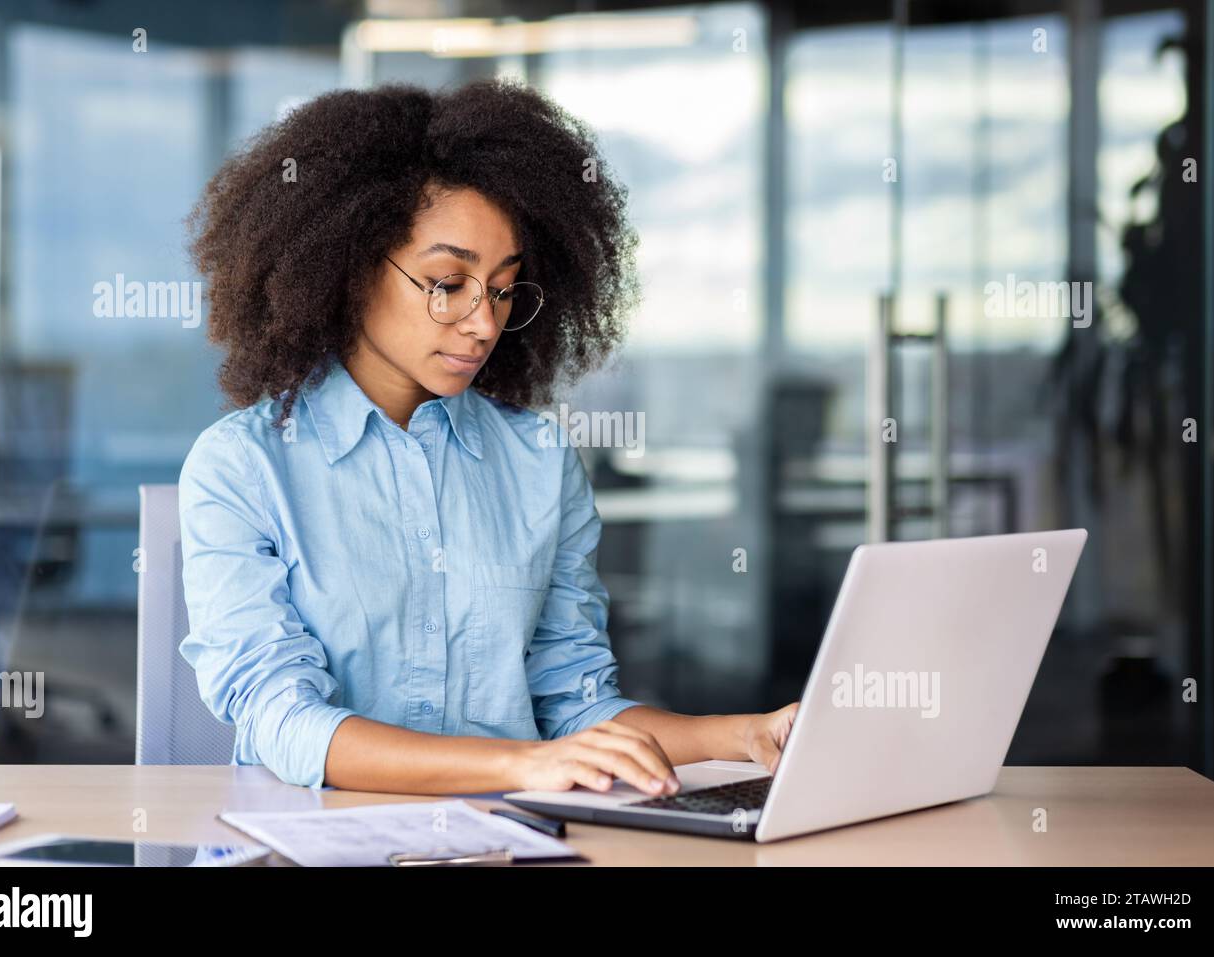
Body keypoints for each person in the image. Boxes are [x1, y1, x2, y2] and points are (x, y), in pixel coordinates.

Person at [179, 76, 797, 795]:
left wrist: (744, 733)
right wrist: (522, 764)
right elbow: (281, 719)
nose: (483, 322)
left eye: (503, 288)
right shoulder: (243, 468)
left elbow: (574, 705)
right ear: (348, 269)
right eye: (448, 282)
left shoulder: (538, 461)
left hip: (509, 841)